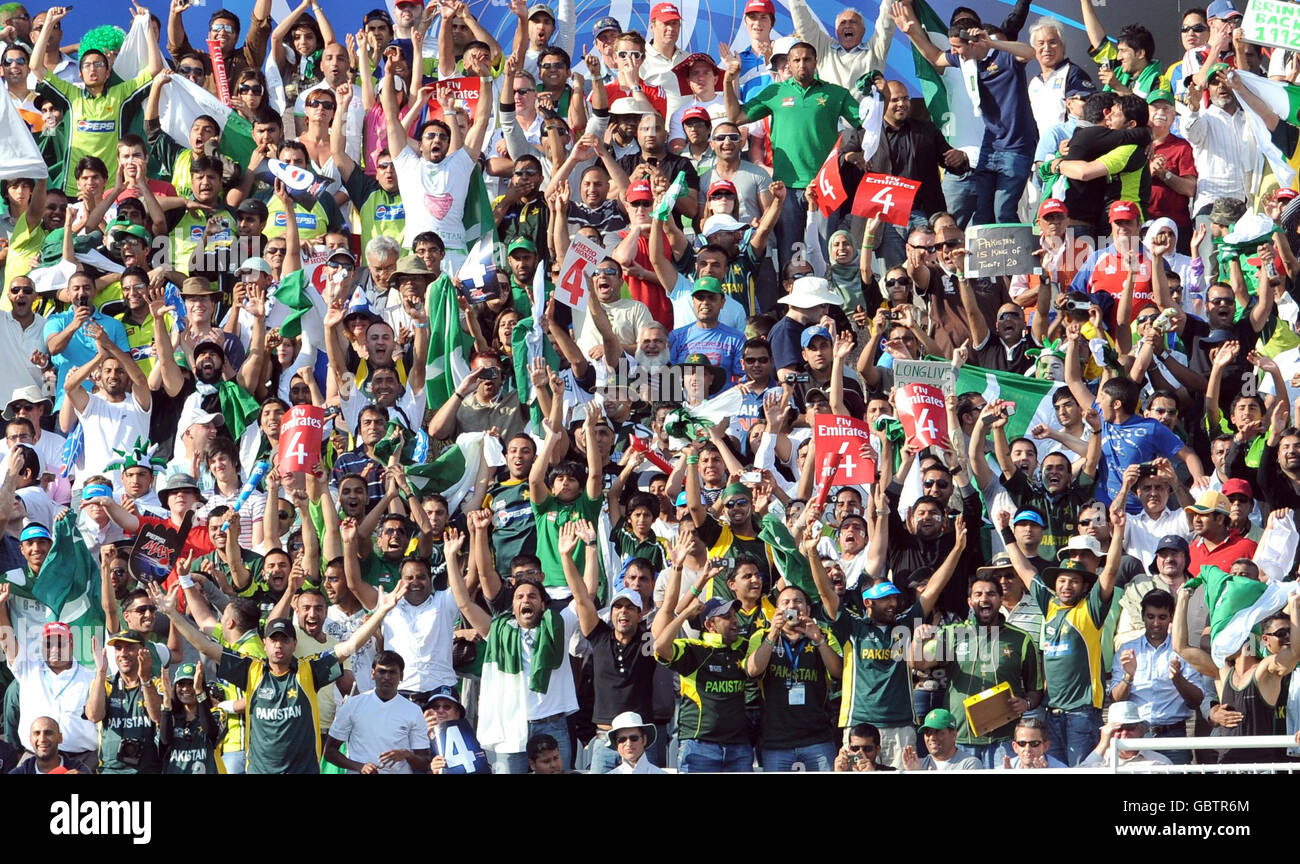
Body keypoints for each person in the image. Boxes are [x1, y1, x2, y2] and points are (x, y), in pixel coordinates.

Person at [150, 578, 406, 774]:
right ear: (265, 643)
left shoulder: (309, 669)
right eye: (273, 640)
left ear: (294, 643)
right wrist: (173, 614)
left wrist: (381, 612)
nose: (279, 645)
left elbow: (349, 646)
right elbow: (206, 646)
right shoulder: (250, 669)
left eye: (285, 640)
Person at [1110, 588, 1210, 765]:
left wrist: (1178, 679)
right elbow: (1116, 700)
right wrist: (1128, 676)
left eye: (1162, 617)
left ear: (1171, 617)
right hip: (1136, 734)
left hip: (1173, 735)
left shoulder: (1183, 650)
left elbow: (1196, 700)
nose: (1156, 623)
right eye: (1150, 616)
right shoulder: (1127, 649)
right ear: (1142, 616)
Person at [324, 650, 430, 774]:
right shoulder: (353, 705)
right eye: (382, 671)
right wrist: (359, 767)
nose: (386, 677)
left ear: (401, 676)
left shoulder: (414, 711)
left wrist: (406, 754)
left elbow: (424, 764)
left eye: (392, 672)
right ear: (373, 674)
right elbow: (329, 752)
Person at [901, 708, 983, 771]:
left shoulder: (969, 764)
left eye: (938, 732)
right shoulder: (919, 764)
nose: (932, 737)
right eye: (928, 733)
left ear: (954, 735)